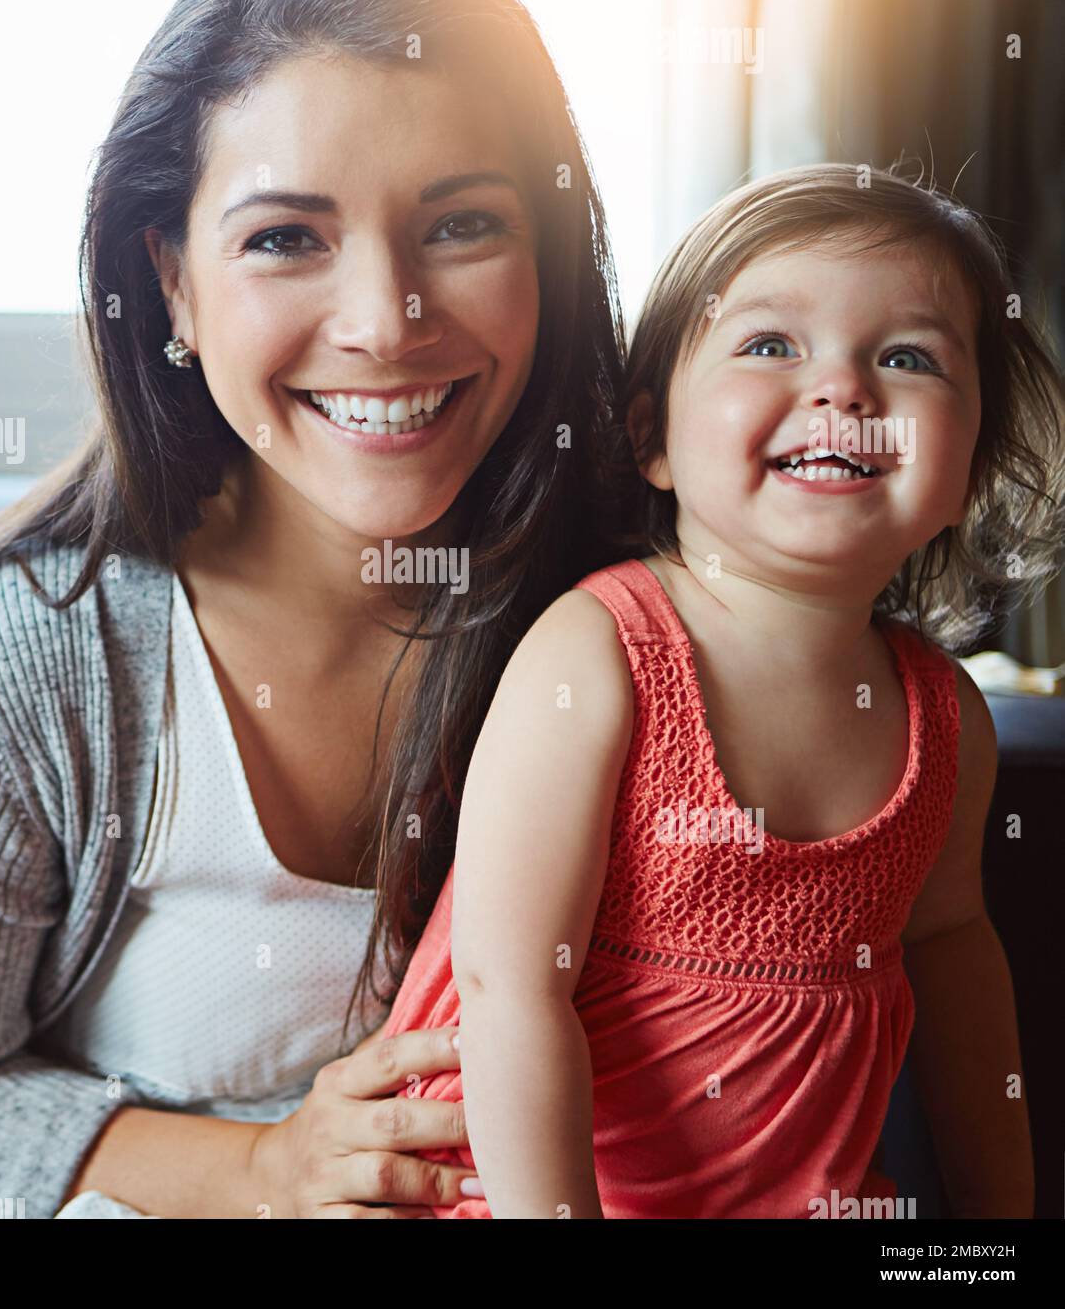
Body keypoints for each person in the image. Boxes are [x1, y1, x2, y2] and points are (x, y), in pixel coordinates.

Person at [0, 0, 628, 1219]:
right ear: (172, 285)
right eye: (287, 238)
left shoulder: (644, 617)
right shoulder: (25, 656)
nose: (384, 321)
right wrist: (264, 1167)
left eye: (461, 223)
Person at [381, 163, 1064, 1218]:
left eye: (905, 356)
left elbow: (954, 962)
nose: (842, 387)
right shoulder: (600, 655)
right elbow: (511, 993)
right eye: (769, 344)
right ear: (652, 438)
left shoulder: (943, 718)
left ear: (968, 467)